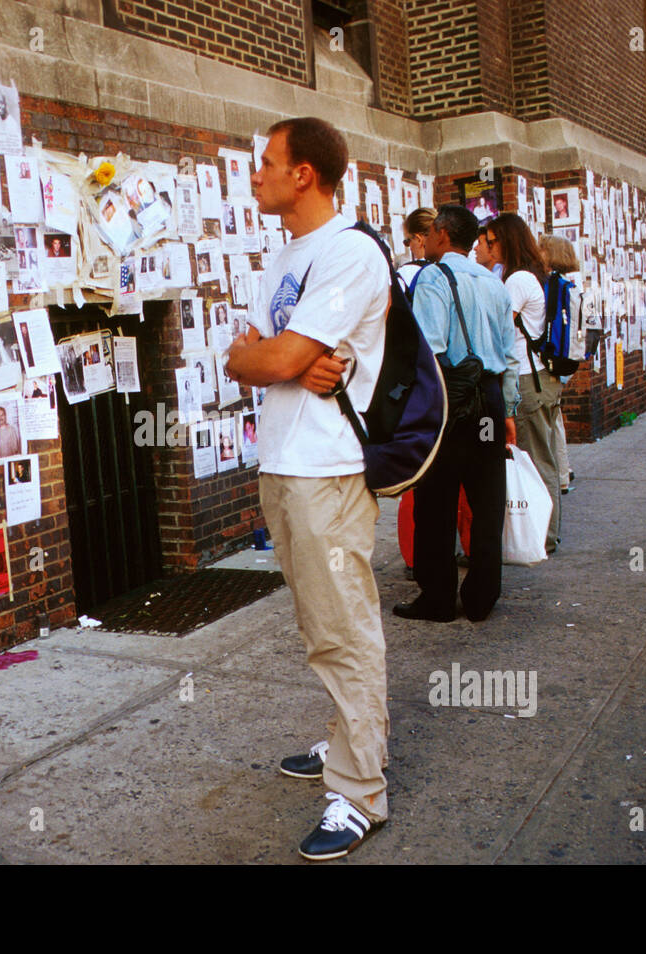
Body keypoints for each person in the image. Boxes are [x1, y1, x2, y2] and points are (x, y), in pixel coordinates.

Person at [224, 116, 389, 861]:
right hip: (284, 463)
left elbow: (271, 354)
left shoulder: (351, 252)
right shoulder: (288, 255)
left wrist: (280, 357)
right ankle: (342, 744)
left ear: (306, 175)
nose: (254, 174)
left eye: (267, 162)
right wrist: (277, 359)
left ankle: (359, 794)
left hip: (329, 467)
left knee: (344, 629)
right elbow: (247, 355)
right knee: (318, 625)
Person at [401, 204, 518, 623]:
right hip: (488, 399)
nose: (427, 238)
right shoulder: (494, 283)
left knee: (436, 498)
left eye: (431, 231)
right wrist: (508, 410)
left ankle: (437, 597)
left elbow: (427, 350)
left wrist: (417, 411)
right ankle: (481, 596)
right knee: (487, 497)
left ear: (444, 234)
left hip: (448, 399)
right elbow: (509, 355)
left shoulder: (432, 277)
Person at [486, 212, 559, 553]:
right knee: (541, 455)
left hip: (528, 380)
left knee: (535, 458)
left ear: (506, 241)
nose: (488, 246)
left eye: (493, 240)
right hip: (538, 377)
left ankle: (544, 535)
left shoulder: (517, 280)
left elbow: (500, 326)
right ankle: (545, 532)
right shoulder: (530, 275)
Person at [537, 234, 582, 495]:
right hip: (568, 358)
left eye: (541, 249)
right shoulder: (571, 283)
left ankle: (560, 475)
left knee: (552, 421)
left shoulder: (551, 284)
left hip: (551, 359)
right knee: (556, 418)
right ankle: (563, 473)